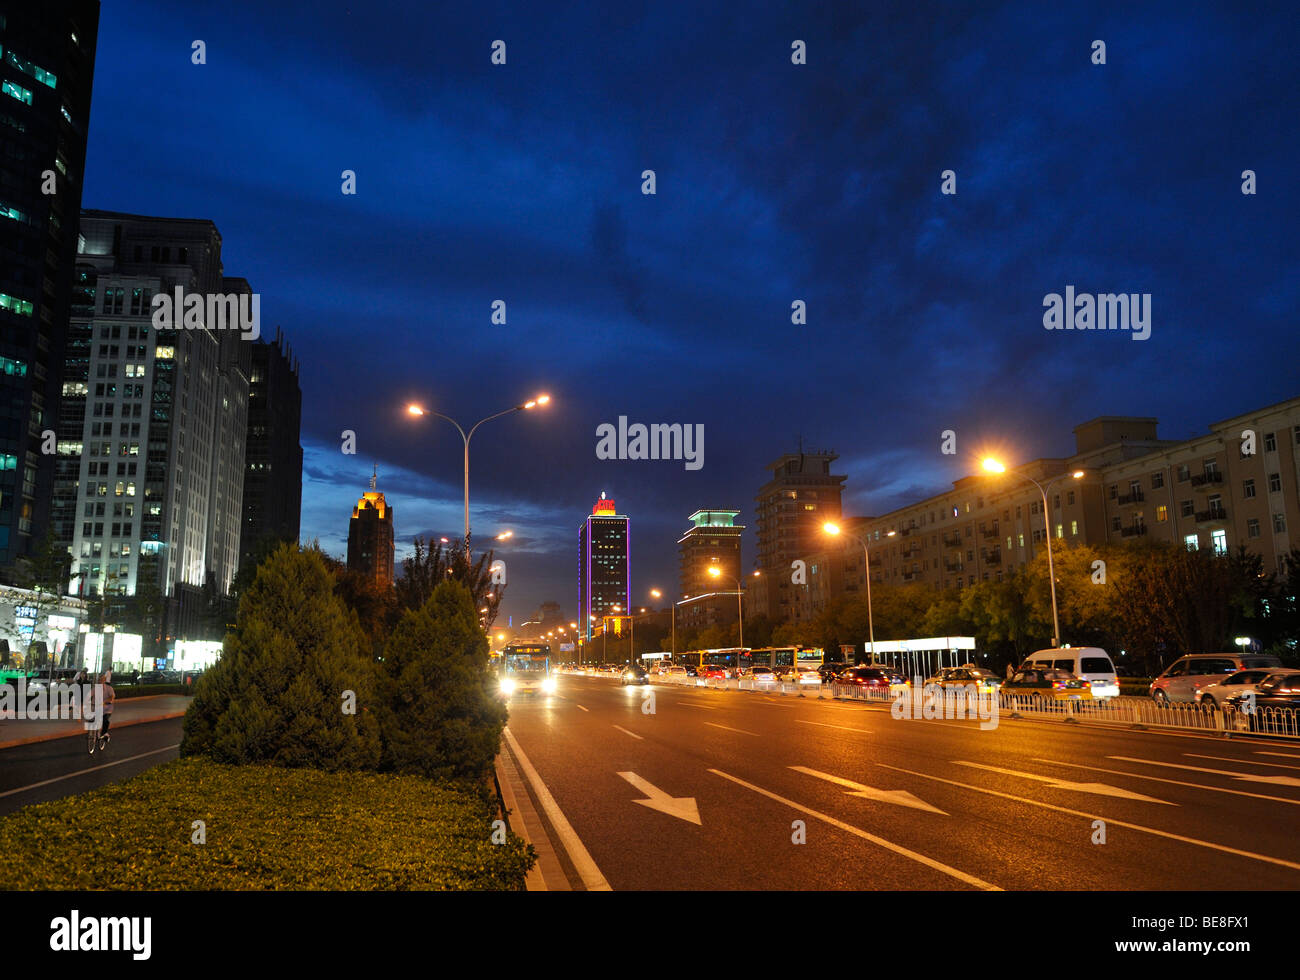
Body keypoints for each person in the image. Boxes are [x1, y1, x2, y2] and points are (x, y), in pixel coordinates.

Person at [97, 671, 115, 747]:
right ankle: (93, 733)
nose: (100, 682)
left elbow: (112, 697)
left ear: (104, 680)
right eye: (99, 680)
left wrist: (107, 701)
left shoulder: (109, 688)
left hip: (107, 708)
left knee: (105, 719)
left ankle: (105, 733)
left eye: (102, 680)